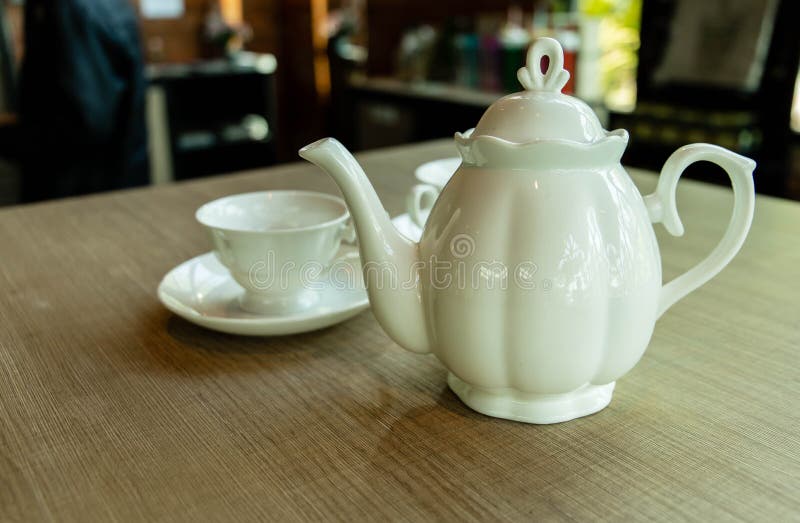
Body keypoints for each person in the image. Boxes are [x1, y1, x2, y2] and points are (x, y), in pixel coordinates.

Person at [19, 0, 149, 202]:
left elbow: (89, 117)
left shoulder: (70, 8)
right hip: (121, 179)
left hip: (82, 189)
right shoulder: (108, 6)